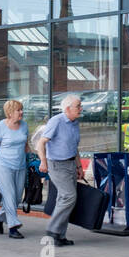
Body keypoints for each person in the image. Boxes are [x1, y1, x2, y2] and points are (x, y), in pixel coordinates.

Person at [39, 94, 83, 247]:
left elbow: (74, 147)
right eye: (78, 106)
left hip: (70, 164)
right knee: (69, 196)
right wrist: (43, 162)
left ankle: (59, 236)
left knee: (63, 199)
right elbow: (41, 143)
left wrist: (79, 166)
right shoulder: (56, 121)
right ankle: (52, 229)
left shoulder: (75, 123)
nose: (81, 109)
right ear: (67, 109)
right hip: (57, 164)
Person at [0, 99, 28, 239]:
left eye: (22, 109)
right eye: (18, 110)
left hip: (20, 166)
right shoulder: (0, 127)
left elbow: (26, 146)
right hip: (4, 166)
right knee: (9, 195)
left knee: (16, 197)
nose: (21, 112)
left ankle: (0, 218)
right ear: (10, 112)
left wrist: (36, 161)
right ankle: (13, 227)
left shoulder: (24, 125)